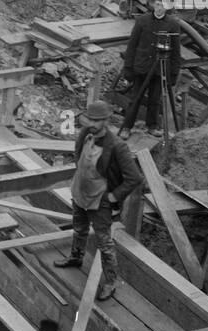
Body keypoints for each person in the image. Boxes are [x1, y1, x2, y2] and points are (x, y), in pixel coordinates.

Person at [52, 100, 142, 301]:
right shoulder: (85, 134)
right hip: (80, 192)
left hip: (99, 199)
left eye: (96, 120)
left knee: (104, 241)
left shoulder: (117, 146)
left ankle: (111, 281)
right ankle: (76, 258)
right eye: (89, 119)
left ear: (106, 121)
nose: (91, 123)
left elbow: (135, 178)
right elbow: (78, 156)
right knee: (79, 228)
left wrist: (114, 196)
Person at [121, 0, 181, 137]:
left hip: (159, 69)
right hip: (142, 66)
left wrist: (173, 73)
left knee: (155, 99)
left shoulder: (173, 24)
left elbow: (175, 51)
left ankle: (152, 126)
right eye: (157, 4)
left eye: (162, 5)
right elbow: (132, 46)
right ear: (154, 4)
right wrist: (128, 68)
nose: (159, 8)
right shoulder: (142, 21)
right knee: (135, 98)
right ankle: (127, 127)